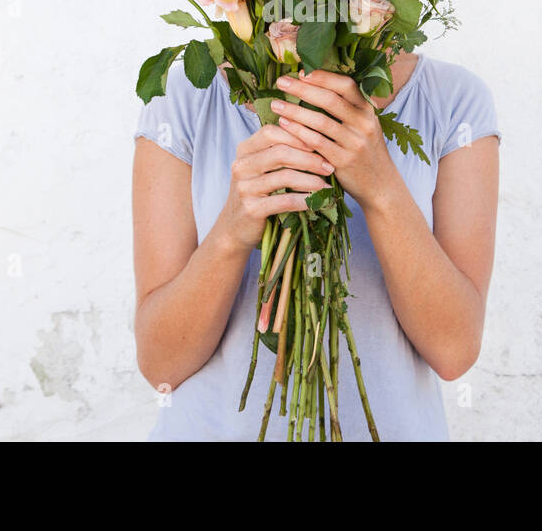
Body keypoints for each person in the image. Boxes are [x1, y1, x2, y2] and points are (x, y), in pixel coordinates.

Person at [131, 50, 499, 440]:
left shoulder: (453, 99)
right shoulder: (183, 97)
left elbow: (454, 352)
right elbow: (160, 365)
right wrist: (230, 234)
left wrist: (382, 190)